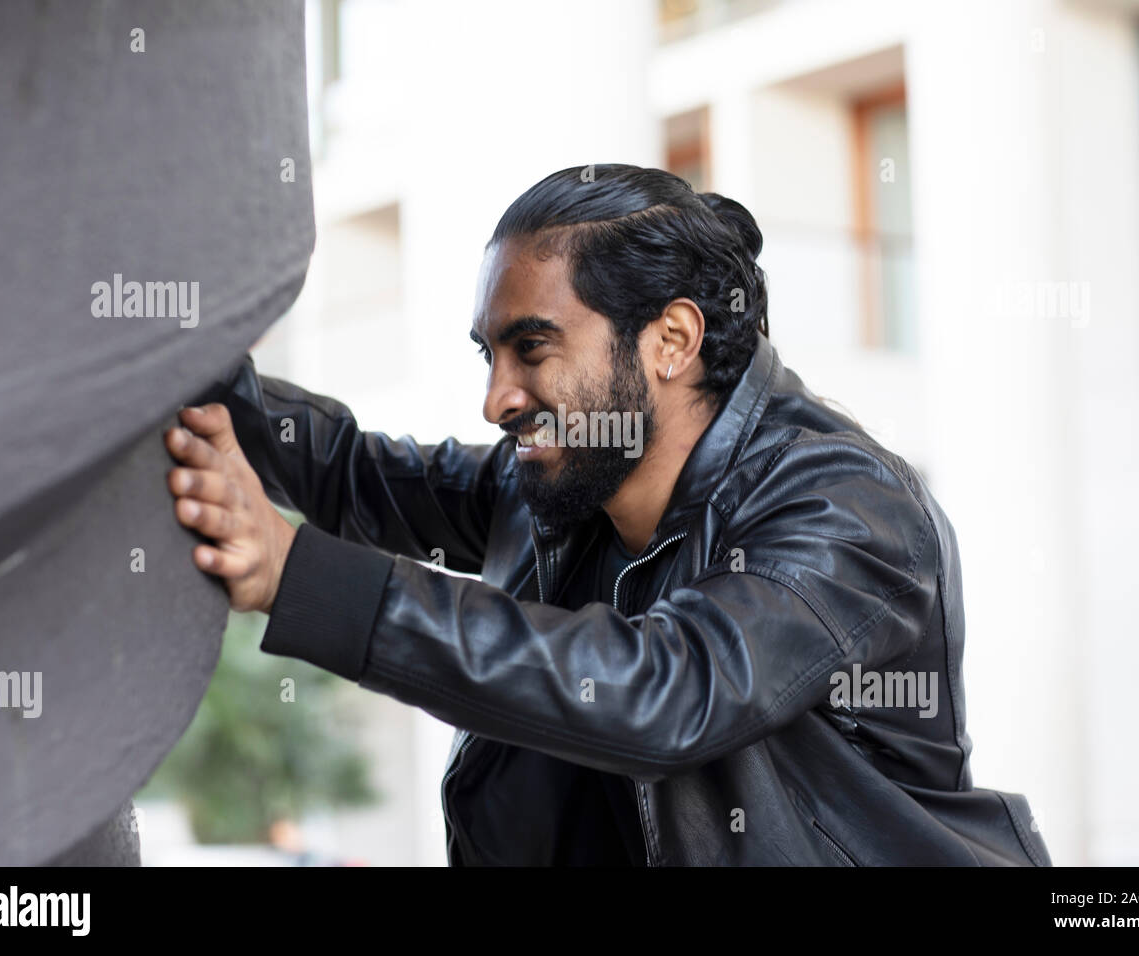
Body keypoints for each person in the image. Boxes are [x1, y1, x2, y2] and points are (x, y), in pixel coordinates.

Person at [163, 164, 1052, 866]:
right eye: (489, 353)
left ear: (671, 340)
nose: (497, 398)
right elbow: (358, 472)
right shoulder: (563, 486)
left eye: (533, 348)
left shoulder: (844, 505)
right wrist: (180, 370)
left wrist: (296, 575)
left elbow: (672, 691)